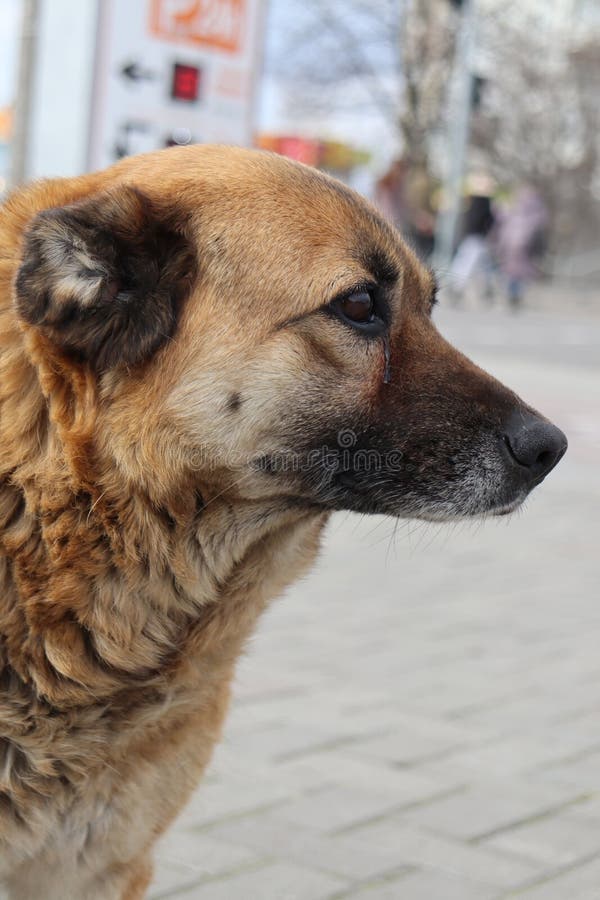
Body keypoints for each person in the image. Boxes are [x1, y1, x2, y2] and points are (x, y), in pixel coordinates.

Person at [495, 185, 549, 309]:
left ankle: (513, 295)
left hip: (515, 249)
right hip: (522, 249)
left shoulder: (515, 212)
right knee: (518, 274)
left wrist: (501, 246)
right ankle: (515, 295)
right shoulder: (535, 214)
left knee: (513, 273)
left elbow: (504, 229)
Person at [449, 174, 496, 304]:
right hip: (477, 237)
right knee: (470, 263)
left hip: (471, 236)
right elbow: (487, 220)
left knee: (476, 262)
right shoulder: (483, 202)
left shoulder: (472, 201)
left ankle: (486, 289)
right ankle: (458, 287)